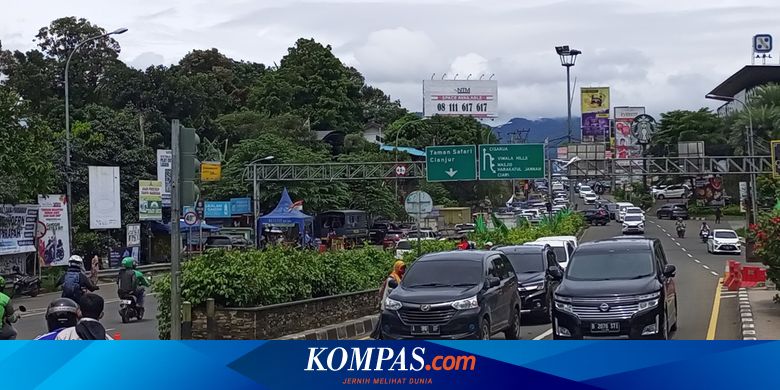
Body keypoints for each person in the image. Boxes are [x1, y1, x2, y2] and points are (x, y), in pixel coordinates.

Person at [372, 260, 406, 339]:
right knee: (385, 324)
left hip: (394, 304)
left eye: (404, 268)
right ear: (397, 268)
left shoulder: (400, 277)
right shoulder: (391, 279)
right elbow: (397, 286)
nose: (403, 270)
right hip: (388, 304)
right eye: (401, 268)